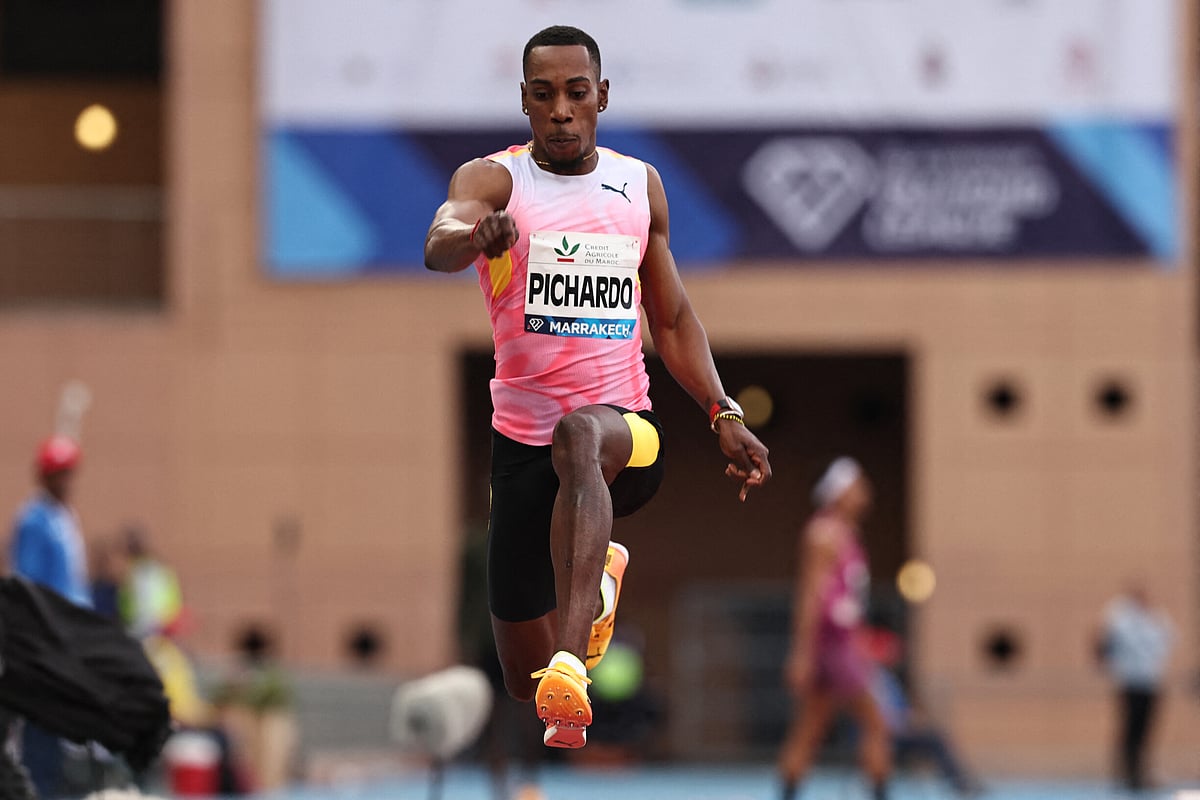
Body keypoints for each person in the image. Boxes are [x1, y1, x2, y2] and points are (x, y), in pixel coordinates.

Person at [424, 24, 772, 750]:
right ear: (524, 101)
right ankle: (596, 583)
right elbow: (439, 239)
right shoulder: (494, 181)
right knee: (521, 681)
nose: (560, 110)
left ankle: (573, 667)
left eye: (576, 94)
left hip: (626, 437)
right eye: (544, 95)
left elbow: (672, 320)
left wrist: (723, 411)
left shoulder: (636, 186)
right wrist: (474, 239)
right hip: (521, 453)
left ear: (601, 97)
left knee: (580, 432)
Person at [778, 457, 890, 800]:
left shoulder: (842, 533)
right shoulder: (825, 534)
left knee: (811, 724)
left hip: (837, 641)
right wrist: (802, 653)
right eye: (857, 487)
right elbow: (811, 595)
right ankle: (879, 790)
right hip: (833, 642)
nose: (864, 494)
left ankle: (788, 791)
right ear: (840, 493)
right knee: (875, 722)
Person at [8, 435, 92, 797]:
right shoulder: (34, 520)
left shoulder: (63, 518)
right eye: (57, 473)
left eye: (68, 473)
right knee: (44, 735)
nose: (65, 481)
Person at [1097, 583, 1175, 792]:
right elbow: (1105, 641)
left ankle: (1142, 772)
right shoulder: (1120, 618)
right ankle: (1126, 774)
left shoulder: (1156, 619)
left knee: (1145, 731)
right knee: (1130, 731)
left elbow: (1167, 642)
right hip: (1130, 682)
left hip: (1151, 682)